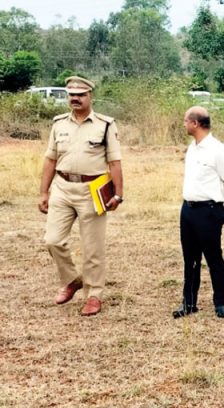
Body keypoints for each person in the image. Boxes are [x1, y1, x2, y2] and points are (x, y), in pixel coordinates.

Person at [39, 76, 123, 316]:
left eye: (81, 95)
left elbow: (115, 162)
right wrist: (43, 192)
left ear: (90, 96)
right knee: (52, 240)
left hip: (91, 190)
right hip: (62, 188)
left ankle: (94, 295)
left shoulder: (105, 124)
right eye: (71, 95)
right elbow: (50, 160)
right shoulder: (58, 124)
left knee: (92, 248)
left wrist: (118, 195)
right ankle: (72, 280)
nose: (75, 99)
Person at [174, 106, 224, 319]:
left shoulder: (219, 150)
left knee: (213, 258)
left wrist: (215, 204)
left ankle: (220, 303)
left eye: (185, 121)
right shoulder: (192, 148)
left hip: (208, 211)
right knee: (190, 258)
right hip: (188, 210)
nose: (183, 125)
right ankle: (189, 302)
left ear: (195, 123)